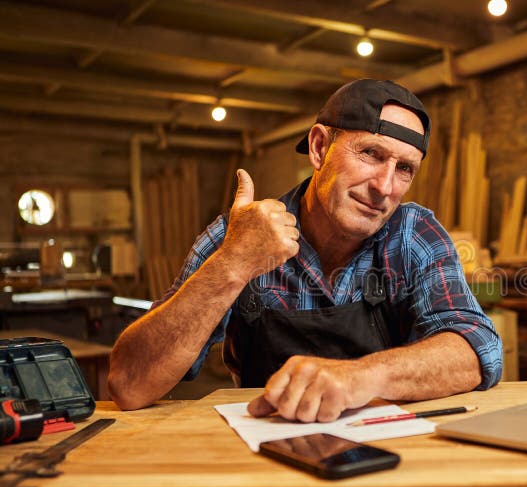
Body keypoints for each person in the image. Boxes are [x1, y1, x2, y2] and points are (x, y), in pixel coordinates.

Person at [108, 79, 503, 422]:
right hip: (264, 448)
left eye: (404, 169)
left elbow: (476, 346)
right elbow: (129, 384)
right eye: (371, 154)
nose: (385, 187)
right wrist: (232, 264)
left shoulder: (412, 233)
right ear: (319, 148)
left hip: (384, 448)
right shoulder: (241, 235)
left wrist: (362, 378)